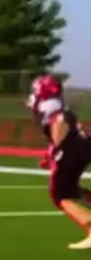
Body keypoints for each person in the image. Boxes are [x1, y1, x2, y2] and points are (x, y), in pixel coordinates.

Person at [28, 74, 91, 249]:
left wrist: (56, 150)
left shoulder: (51, 108)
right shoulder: (58, 107)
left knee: (61, 196)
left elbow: (60, 121)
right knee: (71, 190)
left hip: (71, 149)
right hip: (81, 146)